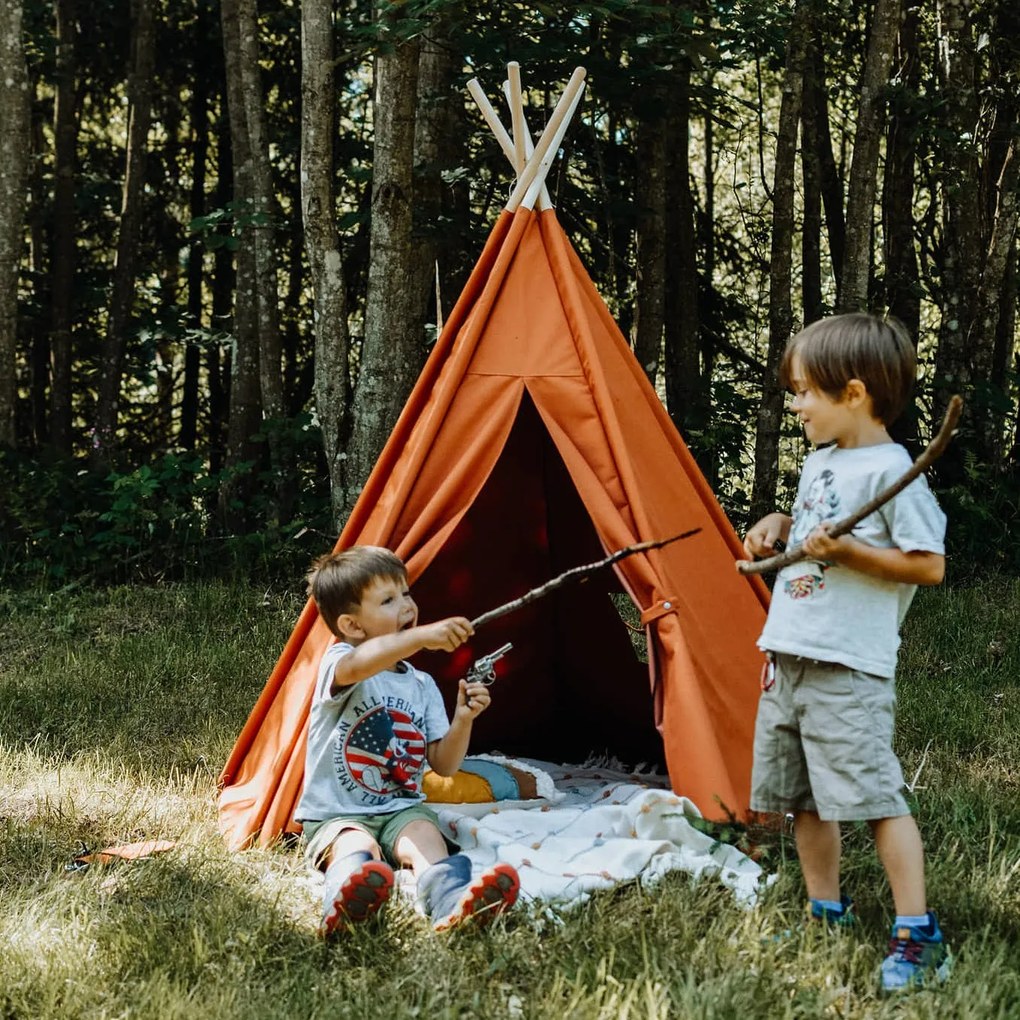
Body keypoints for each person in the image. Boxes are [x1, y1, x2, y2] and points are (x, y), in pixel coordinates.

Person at [740, 313, 951, 993]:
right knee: (804, 800)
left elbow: (928, 564)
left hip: (846, 668)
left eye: (805, 392)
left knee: (876, 797)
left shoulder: (895, 471)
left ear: (853, 393)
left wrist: (853, 552)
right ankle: (824, 910)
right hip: (789, 656)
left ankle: (918, 934)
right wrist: (780, 524)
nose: (796, 405)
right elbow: (814, 533)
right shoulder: (823, 461)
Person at [295, 545, 520, 936]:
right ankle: (348, 901)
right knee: (355, 847)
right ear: (352, 626)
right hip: (338, 814)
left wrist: (463, 720)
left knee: (426, 838)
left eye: (406, 594)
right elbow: (363, 662)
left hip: (401, 809)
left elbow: (444, 765)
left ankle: (453, 902)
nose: (406, 606)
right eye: (388, 600)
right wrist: (420, 637)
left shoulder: (422, 684)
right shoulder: (340, 662)